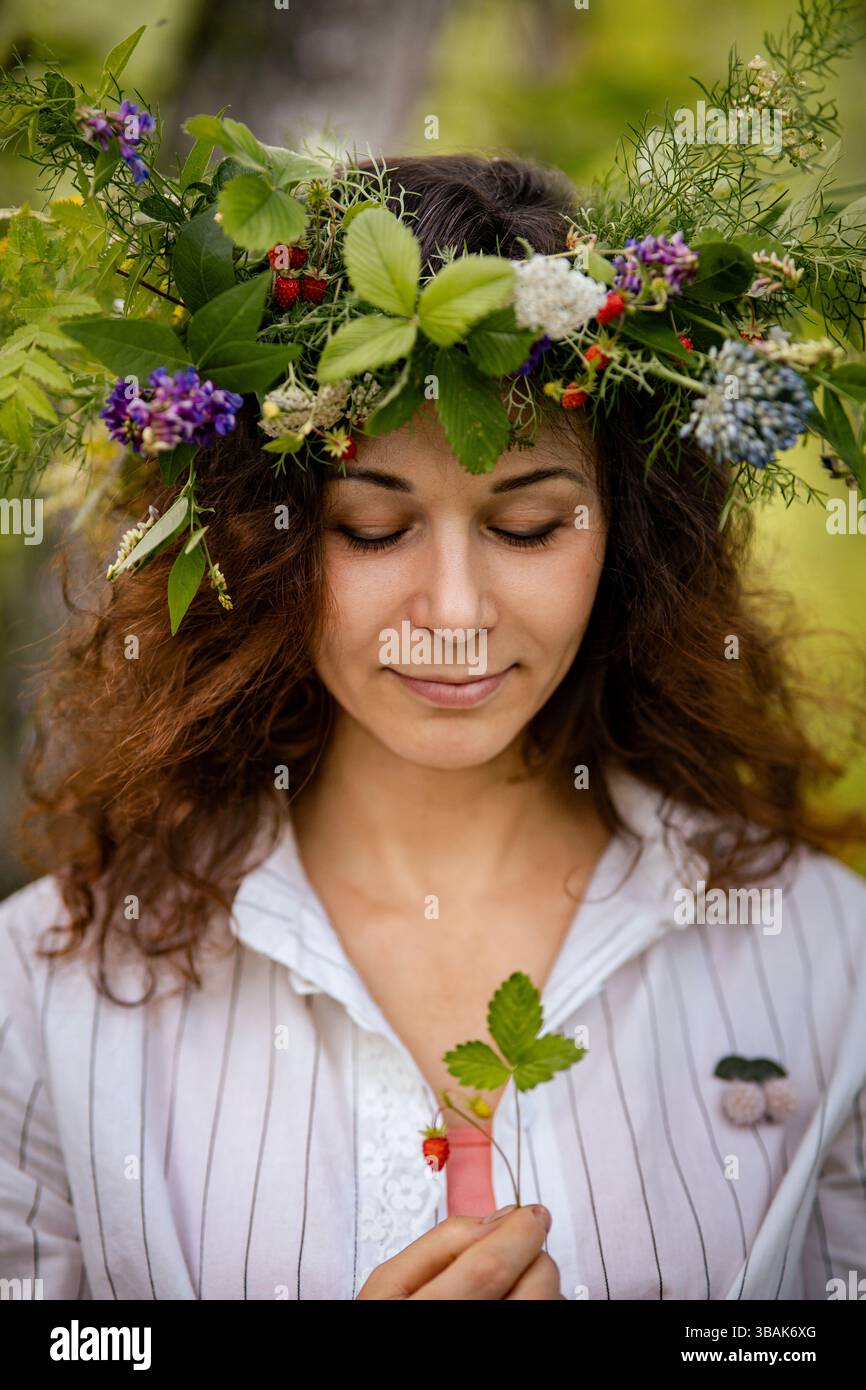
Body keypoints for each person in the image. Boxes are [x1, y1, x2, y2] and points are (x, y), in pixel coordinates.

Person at [1, 153, 865, 1303]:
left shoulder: (827, 960)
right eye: (369, 527)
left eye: (525, 526)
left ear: (626, 545)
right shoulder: (48, 988)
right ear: (259, 549)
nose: (454, 613)